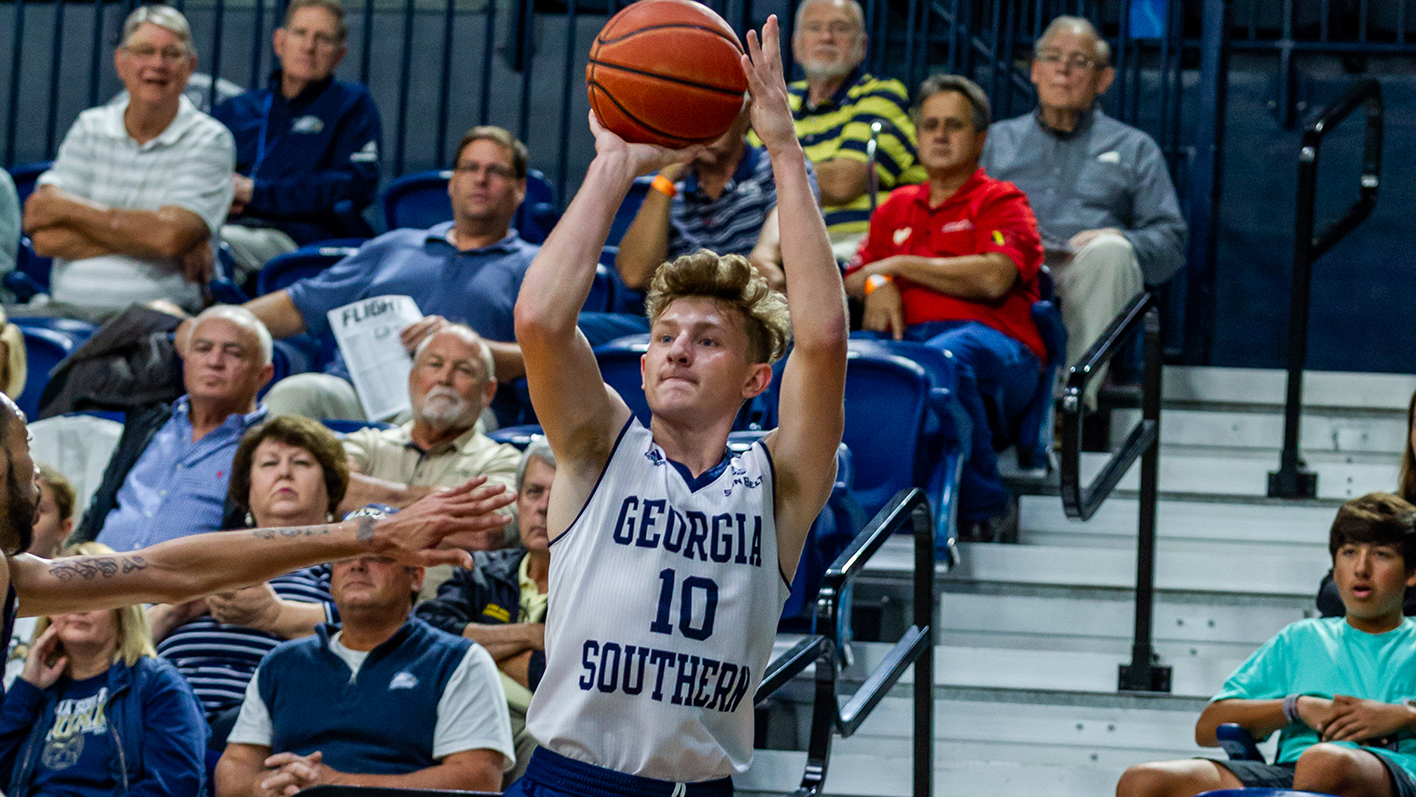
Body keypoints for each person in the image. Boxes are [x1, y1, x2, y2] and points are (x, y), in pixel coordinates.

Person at [507, 14, 846, 792]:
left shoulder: (780, 480)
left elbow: (823, 340)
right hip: (573, 777)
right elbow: (539, 321)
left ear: (757, 379)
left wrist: (785, 150)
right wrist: (614, 166)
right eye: (664, 335)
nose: (679, 348)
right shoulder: (599, 448)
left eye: (708, 338)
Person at [843, 74, 1044, 542]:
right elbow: (853, 276)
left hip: (997, 347)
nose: (939, 135)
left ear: (980, 138)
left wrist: (896, 266)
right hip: (905, 341)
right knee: (830, 362)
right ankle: (848, 505)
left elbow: (996, 277)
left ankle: (985, 505)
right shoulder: (895, 206)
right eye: (929, 124)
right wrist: (876, 281)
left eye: (953, 125)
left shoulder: (1003, 201)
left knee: (945, 357)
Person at [1115, 492, 1416, 797]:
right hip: (1292, 772)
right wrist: (1296, 706)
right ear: (1335, 565)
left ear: (1413, 573)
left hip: (1396, 770)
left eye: (1381, 554)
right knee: (1141, 782)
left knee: (1325, 761)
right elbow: (1207, 728)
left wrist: (1404, 717)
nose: (1361, 568)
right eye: (1349, 552)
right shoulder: (1302, 638)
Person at [242, 126, 537, 421]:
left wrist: (465, 344)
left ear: (521, 188)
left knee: (426, 419)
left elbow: (545, 359)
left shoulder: (534, 266)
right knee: (296, 394)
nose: (481, 179)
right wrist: (218, 322)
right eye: (469, 168)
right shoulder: (395, 246)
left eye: (496, 171)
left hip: (453, 399)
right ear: (452, 182)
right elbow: (297, 306)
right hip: (354, 393)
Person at [215, 516, 515, 795]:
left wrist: (339, 787)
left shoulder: (458, 660)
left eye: (379, 554)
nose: (357, 564)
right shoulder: (281, 662)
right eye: (345, 555)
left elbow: (478, 780)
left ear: (417, 576)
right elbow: (234, 767)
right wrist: (266, 787)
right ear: (331, 578)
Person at [980, 15, 1186, 388]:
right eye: (1052, 57)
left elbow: (1171, 242)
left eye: (1079, 62)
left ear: (1103, 80)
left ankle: (1069, 400)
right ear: (1035, 71)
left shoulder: (1134, 148)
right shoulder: (994, 142)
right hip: (1010, 270)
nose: (1063, 70)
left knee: (1112, 251)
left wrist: (1121, 239)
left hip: (1086, 272)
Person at [20, 5, 234, 317]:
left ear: (190, 66)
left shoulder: (211, 140)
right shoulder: (89, 126)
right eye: (144, 51)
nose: (157, 64)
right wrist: (154, 238)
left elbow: (169, 237)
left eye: (171, 54)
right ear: (121, 63)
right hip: (62, 310)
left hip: (154, 317)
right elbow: (43, 233)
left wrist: (70, 211)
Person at [148, 415, 349, 746]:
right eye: (269, 463)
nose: (284, 472)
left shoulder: (343, 559)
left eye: (300, 463)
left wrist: (276, 614)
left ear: (330, 487)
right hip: (165, 703)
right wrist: (175, 610)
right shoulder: (210, 551)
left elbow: (375, 625)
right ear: (247, 490)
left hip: (267, 715)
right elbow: (127, 639)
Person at [0, 541, 208, 797]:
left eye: (93, 595)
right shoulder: (36, 689)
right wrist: (26, 689)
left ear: (123, 607)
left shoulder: (158, 683)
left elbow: (175, 785)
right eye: (67, 594)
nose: (80, 606)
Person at [73, 306, 274, 549]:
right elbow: (100, 507)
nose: (214, 361)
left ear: (264, 374)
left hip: (196, 585)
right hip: (96, 576)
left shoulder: (270, 445)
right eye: (203, 348)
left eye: (233, 353)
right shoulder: (148, 422)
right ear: (185, 361)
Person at [417, 438, 556, 783]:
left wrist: (475, 648)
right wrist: (529, 635)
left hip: (539, 727)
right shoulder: (482, 568)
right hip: (456, 711)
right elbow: (425, 632)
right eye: (534, 492)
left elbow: (556, 678)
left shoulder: (595, 587)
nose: (544, 507)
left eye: (560, 493)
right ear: (518, 502)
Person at [213, 0, 382, 278]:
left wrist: (256, 192)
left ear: (339, 54)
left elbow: (356, 185)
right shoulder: (237, 109)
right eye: (300, 33)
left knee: (217, 248)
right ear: (280, 42)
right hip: (225, 222)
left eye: (323, 38)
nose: (308, 46)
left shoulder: (351, 105)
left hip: (300, 238)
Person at [758, 0, 923, 264]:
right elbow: (745, 178)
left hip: (858, 242)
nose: (826, 37)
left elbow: (844, 183)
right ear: (796, 47)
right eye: (815, 28)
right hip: (775, 241)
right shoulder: (778, 100)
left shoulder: (882, 94)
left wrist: (774, 173)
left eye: (840, 28)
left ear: (862, 47)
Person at [617, 105, 816, 296]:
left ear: (747, 113)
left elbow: (766, 258)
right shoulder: (669, 188)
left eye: (716, 112)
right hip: (675, 313)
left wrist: (765, 256)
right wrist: (665, 180)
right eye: (694, 115)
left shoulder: (776, 169)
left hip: (750, 310)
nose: (704, 126)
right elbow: (634, 275)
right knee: (589, 324)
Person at [5, 464, 76, 685]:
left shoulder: (77, 597)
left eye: (39, 510)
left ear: (64, 528)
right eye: (17, 509)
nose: (27, 520)